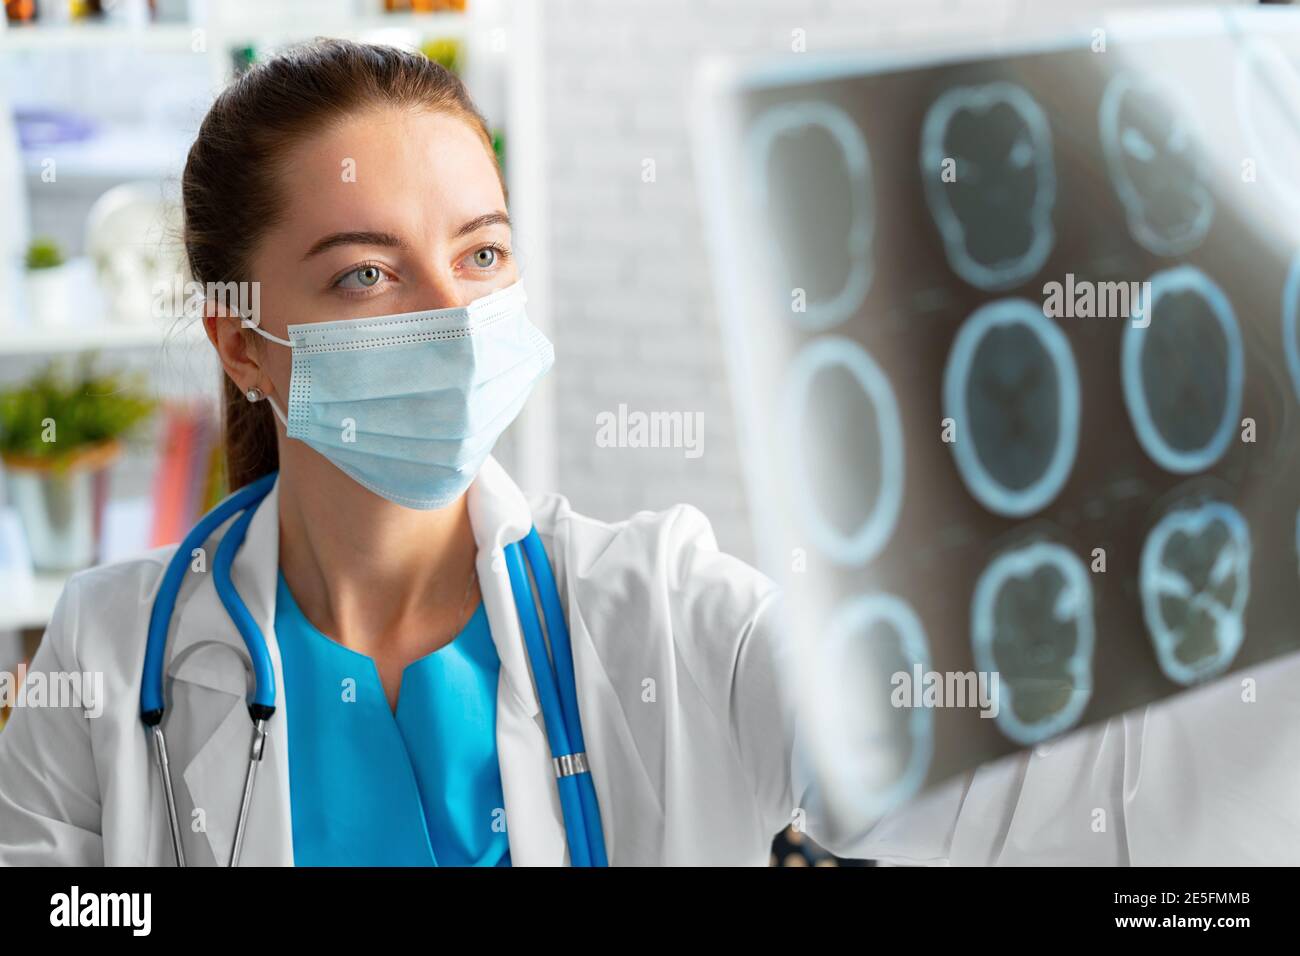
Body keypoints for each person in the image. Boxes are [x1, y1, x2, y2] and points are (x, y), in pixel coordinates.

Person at [0, 39, 831, 867]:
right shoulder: (108, 649)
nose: (454, 320)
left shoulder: (669, 613)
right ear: (241, 343)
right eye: (367, 274)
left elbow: (937, 789)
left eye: (481, 255)